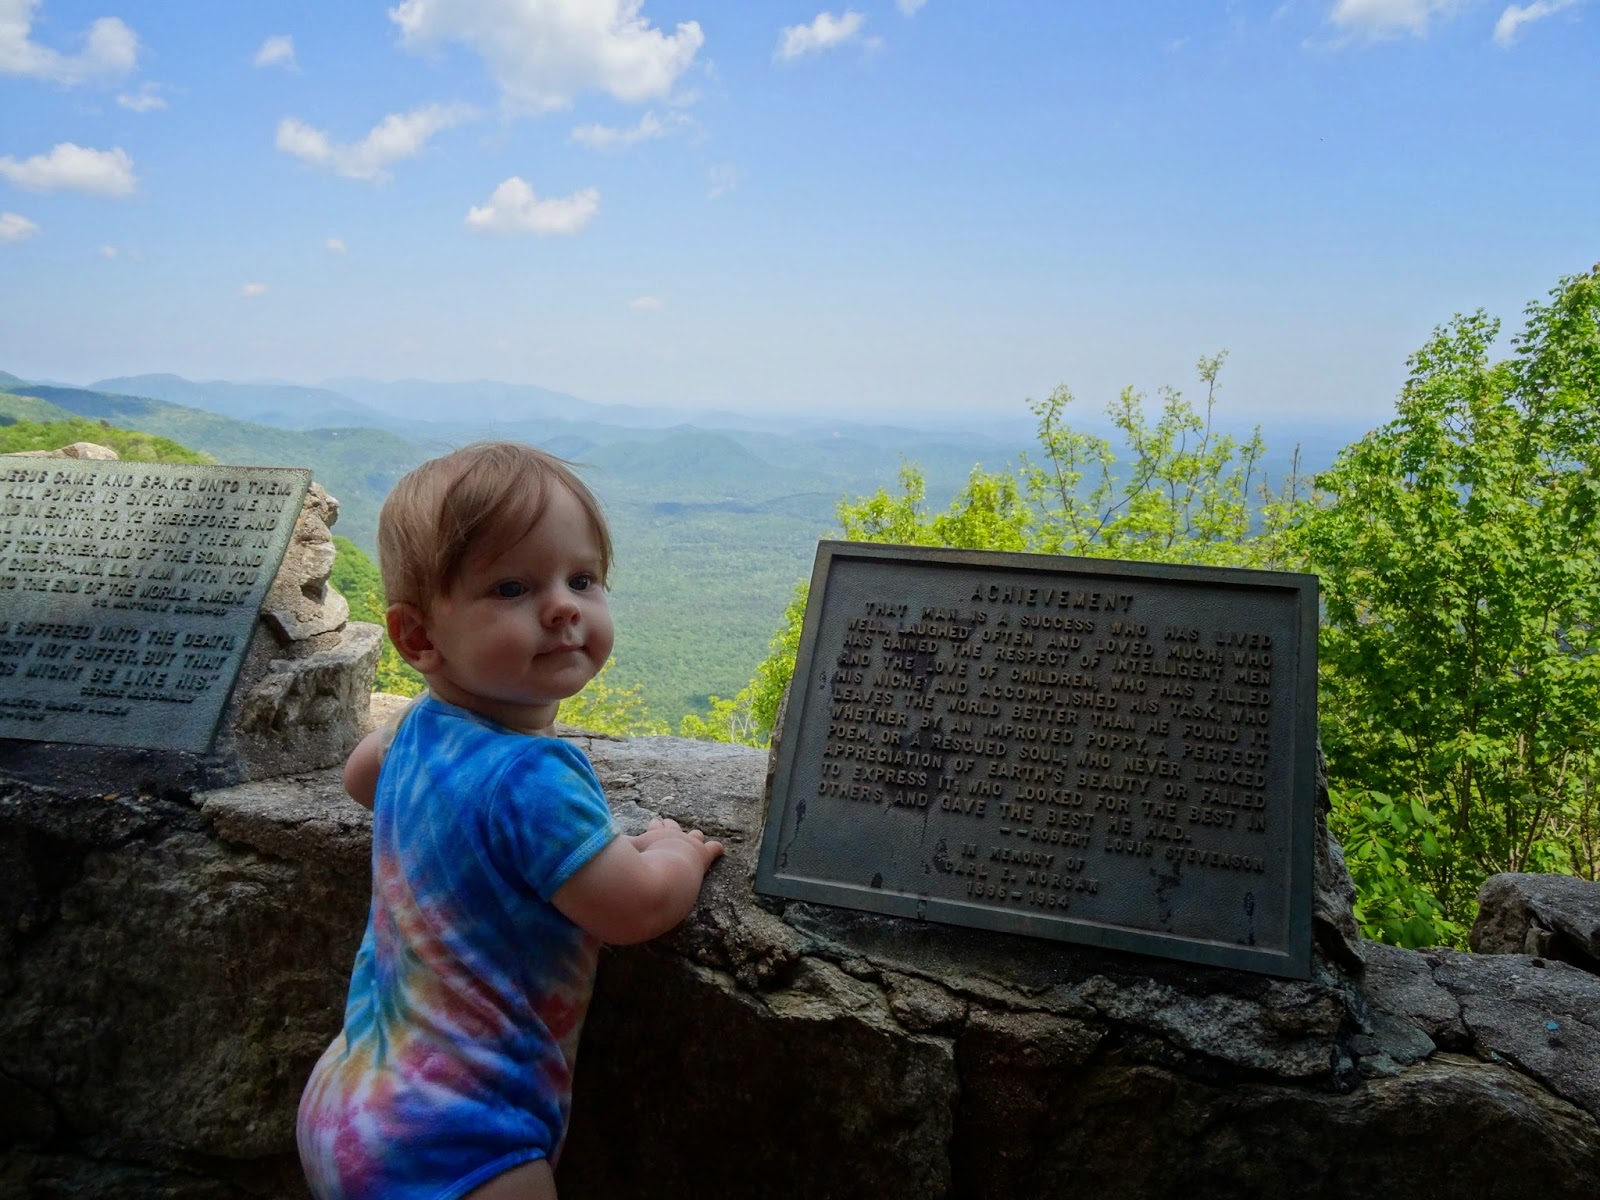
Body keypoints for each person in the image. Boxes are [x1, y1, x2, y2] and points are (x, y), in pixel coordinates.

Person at [297, 441, 723, 1200]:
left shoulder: (417, 727)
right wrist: (674, 853)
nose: (563, 606)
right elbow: (634, 907)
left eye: (582, 579)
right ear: (418, 637)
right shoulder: (532, 777)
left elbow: (362, 779)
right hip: (460, 1138)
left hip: (351, 1094)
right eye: (512, 587)